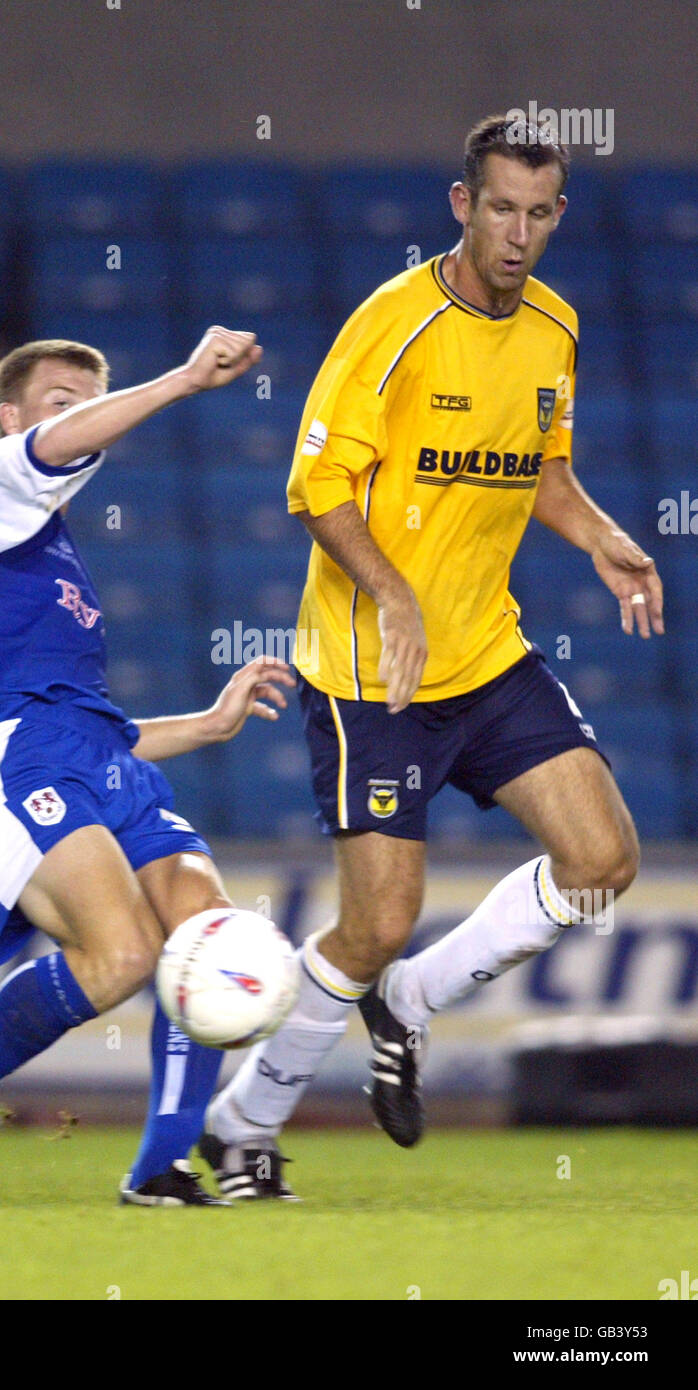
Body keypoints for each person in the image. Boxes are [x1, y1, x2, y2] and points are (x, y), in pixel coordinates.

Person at [198, 113, 665, 1199]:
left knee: (601, 861)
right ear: (461, 205)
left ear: (557, 216)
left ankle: (411, 1002)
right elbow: (313, 490)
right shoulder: (391, 325)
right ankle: (240, 1127)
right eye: (495, 208)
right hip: (374, 670)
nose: (514, 234)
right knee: (373, 924)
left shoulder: (553, 326)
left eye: (535, 213)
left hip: (486, 655)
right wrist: (395, 596)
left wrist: (602, 537)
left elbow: (539, 471)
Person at [0, 325, 296, 1206]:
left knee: (203, 929)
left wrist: (208, 726)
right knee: (123, 953)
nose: (84, 421)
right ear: (8, 421)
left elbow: (102, 730)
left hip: (94, 759)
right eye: (65, 405)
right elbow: (61, 445)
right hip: (17, 760)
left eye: (91, 400)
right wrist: (179, 379)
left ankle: (162, 1168)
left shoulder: (52, 558)